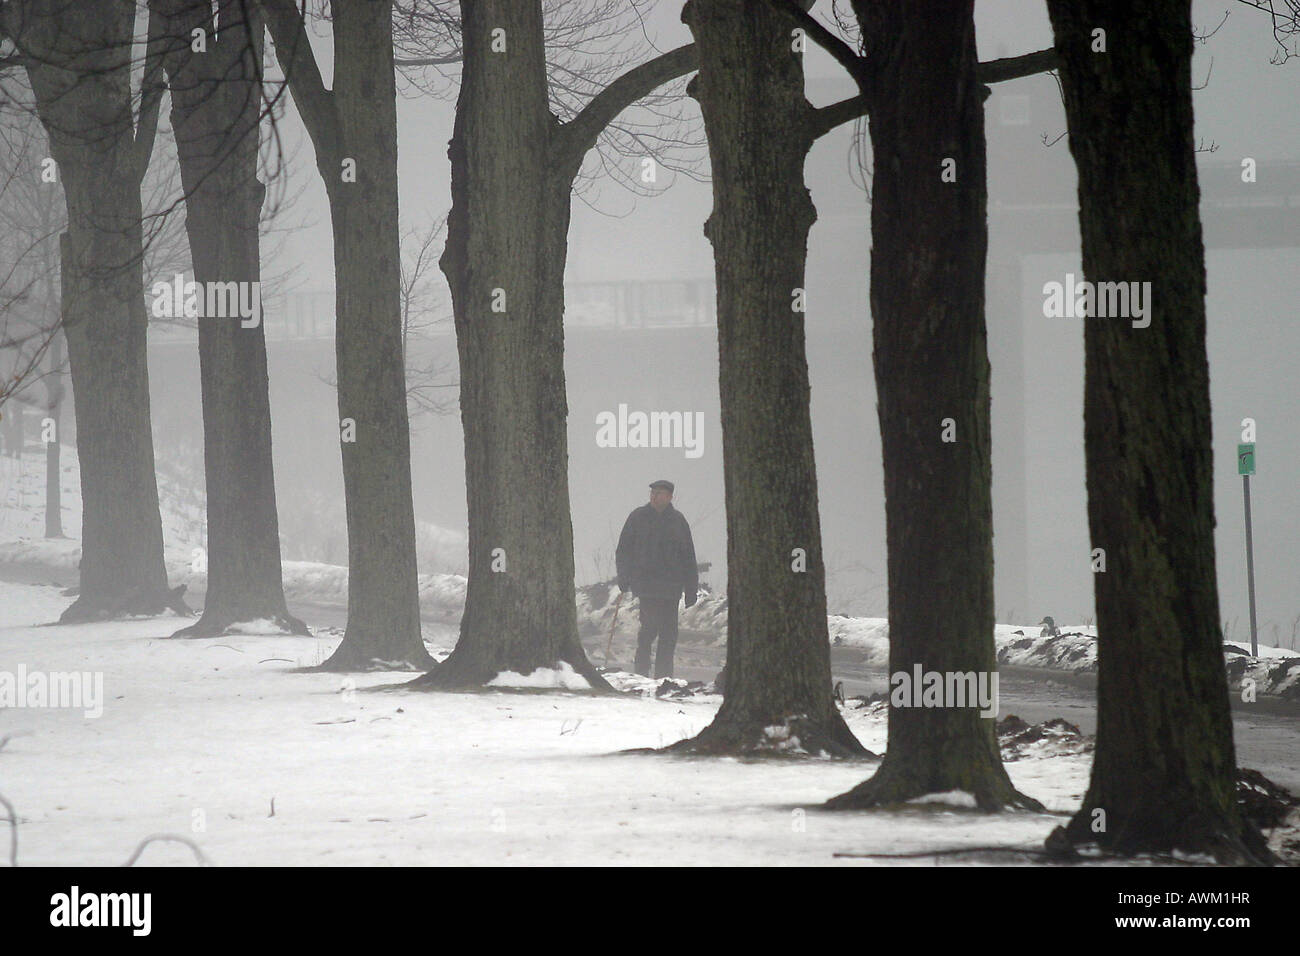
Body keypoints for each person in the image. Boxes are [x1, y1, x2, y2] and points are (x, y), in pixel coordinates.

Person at [615, 479, 699, 679]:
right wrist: (624, 577)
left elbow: (688, 556)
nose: (654, 496)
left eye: (659, 493)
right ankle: (642, 673)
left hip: (671, 587)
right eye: (653, 493)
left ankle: (663, 677)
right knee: (649, 629)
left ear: (669, 497)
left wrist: (691, 589)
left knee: (669, 634)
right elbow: (623, 550)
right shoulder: (638, 517)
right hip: (646, 586)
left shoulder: (678, 521)